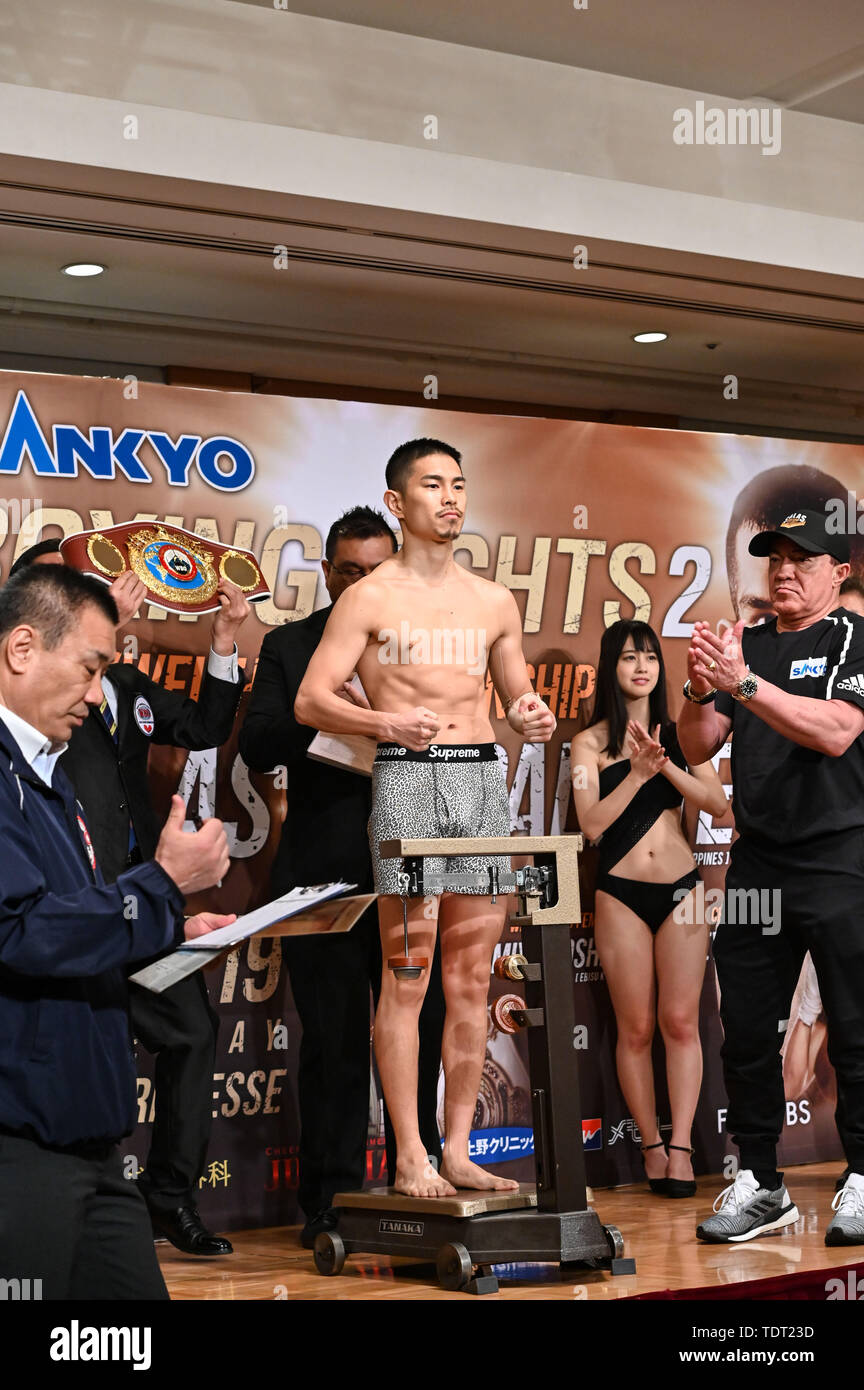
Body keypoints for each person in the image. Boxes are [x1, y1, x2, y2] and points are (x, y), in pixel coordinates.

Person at [295, 438, 556, 1198]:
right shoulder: (370, 596)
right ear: (396, 503)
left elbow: (518, 697)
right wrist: (385, 727)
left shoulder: (493, 600)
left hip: (480, 783)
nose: (450, 498)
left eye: (459, 485)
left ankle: (459, 1148)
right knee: (407, 977)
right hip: (410, 781)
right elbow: (314, 698)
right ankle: (408, 1153)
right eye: (433, 485)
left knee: (471, 980)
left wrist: (532, 715)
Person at [10, 538, 249, 1257]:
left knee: (192, 1035)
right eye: (87, 664)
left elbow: (205, 727)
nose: (92, 692)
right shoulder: (23, 750)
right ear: (28, 636)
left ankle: (169, 1198)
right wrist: (163, 890)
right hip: (98, 915)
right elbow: (24, 929)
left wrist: (167, 915)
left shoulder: (123, 694)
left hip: (133, 916)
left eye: (99, 670)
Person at [239, 505, 446, 1246]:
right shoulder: (293, 646)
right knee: (332, 1040)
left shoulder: (424, 641)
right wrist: (333, 713)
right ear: (327, 573)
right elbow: (260, 744)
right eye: (349, 571)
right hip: (321, 873)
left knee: (419, 1022)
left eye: (376, 568)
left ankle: (415, 1177)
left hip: (411, 867)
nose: (362, 580)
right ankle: (329, 1197)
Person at [680, 508, 864, 1245]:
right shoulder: (746, 644)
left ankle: (862, 1177)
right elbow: (698, 746)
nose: (784, 571)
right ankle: (760, 1180)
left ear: (839, 571)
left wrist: (744, 683)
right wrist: (700, 689)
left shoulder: (851, 637)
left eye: (802, 558)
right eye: (775, 558)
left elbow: (837, 730)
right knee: (746, 1027)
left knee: (854, 1028)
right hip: (758, 859)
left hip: (841, 857)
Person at [571, 620, 726, 1197]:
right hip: (620, 892)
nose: (642, 667)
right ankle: (651, 1148)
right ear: (610, 667)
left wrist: (665, 766)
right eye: (630, 657)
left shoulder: (682, 733)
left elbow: (718, 805)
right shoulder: (590, 743)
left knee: (681, 1023)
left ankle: (682, 1148)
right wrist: (635, 773)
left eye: (652, 657)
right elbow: (590, 825)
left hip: (683, 888)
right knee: (634, 1029)